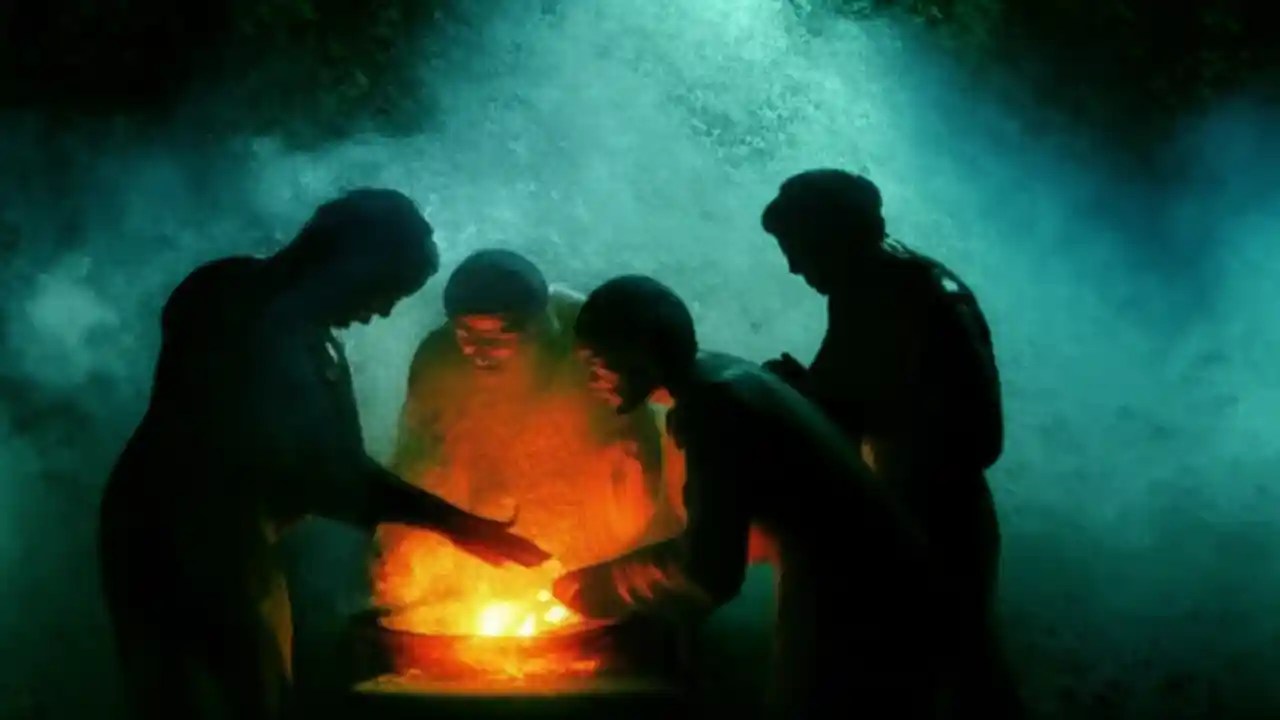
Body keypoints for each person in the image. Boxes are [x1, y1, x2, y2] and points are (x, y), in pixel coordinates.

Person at [98, 189, 549, 720]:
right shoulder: (232, 302)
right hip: (188, 530)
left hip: (204, 530)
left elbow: (339, 468)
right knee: (225, 695)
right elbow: (330, 475)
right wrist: (460, 526)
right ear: (354, 260)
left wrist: (457, 525)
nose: (380, 311)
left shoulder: (296, 332)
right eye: (386, 290)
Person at [550, 275, 942, 719]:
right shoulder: (722, 379)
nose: (590, 378)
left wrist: (606, 584)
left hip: (866, 598)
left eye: (597, 362)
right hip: (877, 576)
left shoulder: (713, 410)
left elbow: (710, 569)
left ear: (643, 354)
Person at [760, 168, 1019, 717]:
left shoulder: (886, 290)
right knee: (959, 672)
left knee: (945, 678)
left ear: (835, 233)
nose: (793, 266)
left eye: (799, 248)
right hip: (929, 507)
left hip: (932, 516)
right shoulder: (889, 279)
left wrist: (801, 396)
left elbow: (945, 426)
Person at [373, 251, 683, 630]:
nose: (479, 351)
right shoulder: (438, 357)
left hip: (589, 523)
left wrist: (622, 565)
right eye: (466, 334)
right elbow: (417, 453)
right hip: (495, 524)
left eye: (499, 335)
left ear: (538, 326)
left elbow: (636, 448)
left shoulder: (587, 336)